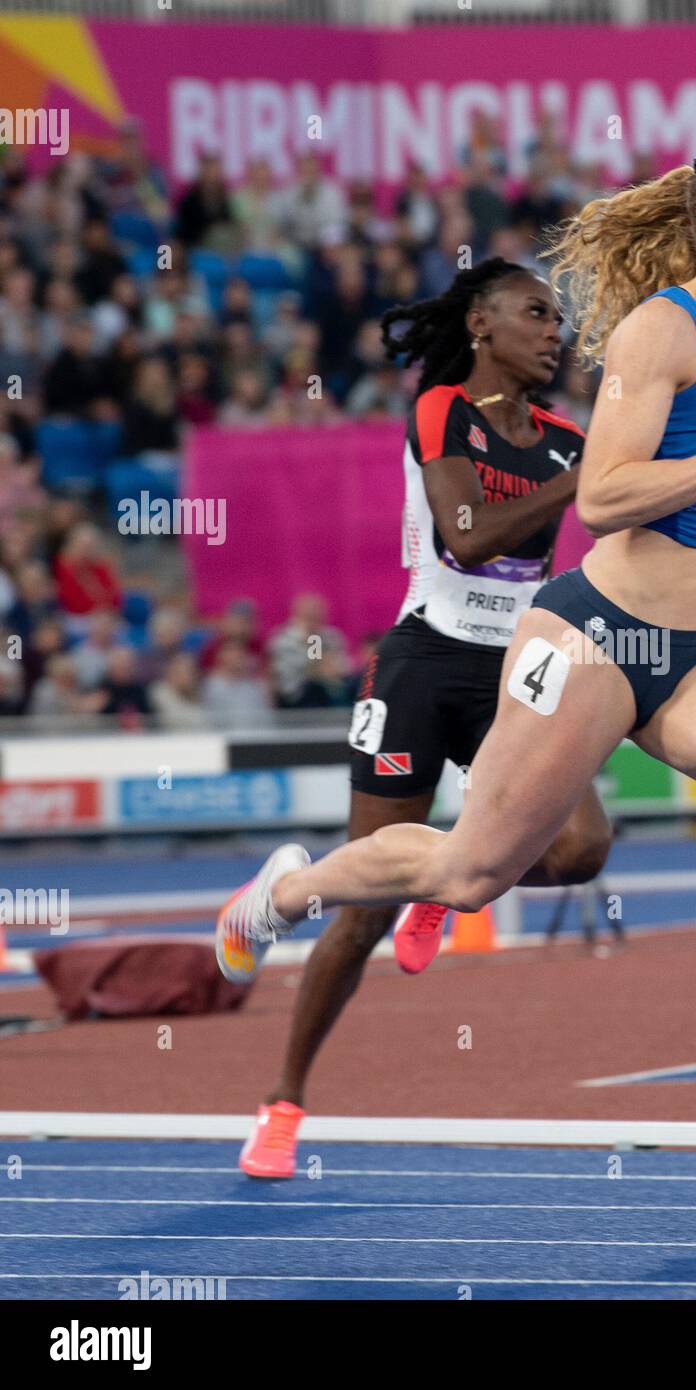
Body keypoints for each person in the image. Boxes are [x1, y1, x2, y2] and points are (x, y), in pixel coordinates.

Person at [218, 143, 696, 1160]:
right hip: (594, 635)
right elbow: (602, 499)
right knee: (468, 873)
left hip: (693, 644)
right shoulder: (659, 333)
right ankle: (286, 892)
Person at [220, 256, 613, 1178]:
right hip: (424, 663)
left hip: (519, 669)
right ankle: (282, 1101)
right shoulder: (442, 409)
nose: (554, 332)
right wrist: (587, 482)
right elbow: (468, 537)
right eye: (535, 314)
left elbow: (633, 528)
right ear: (481, 326)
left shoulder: (567, 435)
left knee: (579, 849)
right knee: (358, 912)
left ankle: (440, 883)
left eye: (559, 320)